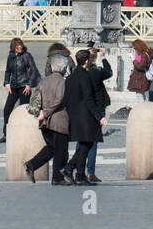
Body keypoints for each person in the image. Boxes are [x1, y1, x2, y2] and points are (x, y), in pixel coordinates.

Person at [24, 53, 71, 184]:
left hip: (44, 122)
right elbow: (59, 100)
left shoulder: (44, 80)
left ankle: (32, 164)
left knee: (52, 147)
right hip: (58, 120)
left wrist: (39, 112)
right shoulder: (62, 81)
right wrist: (45, 112)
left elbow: (35, 98)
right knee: (61, 150)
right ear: (64, 68)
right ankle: (57, 178)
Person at [60, 50, 104, 185]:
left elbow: (66, 98)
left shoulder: (71, 77)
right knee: (87, 144)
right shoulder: (85, 77)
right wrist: (99, 116)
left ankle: (78, 173)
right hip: (86, 116)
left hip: (74, 115)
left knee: (84, 145)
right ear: (86, 61)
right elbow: (88, 99)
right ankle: (71, 170)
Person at [0, 38, 40, 142]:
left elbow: (34, 70)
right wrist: (6, 83)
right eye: (17, 46)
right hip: (13, 86)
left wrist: (29, 85)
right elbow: (8, 71)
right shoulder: (11, 56)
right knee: (7, 109)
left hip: (24, 87)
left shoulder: (27, 55)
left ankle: (24, 133)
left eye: (21, 45)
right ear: (14, 47)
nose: (20, 47)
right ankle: (6, 134)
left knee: (24, 111)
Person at [84, 47, 113, 182]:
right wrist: (104, 57)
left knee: (82, 139)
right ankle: (90, 171)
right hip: (97, 106)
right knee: (94, 140)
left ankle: (79, 169)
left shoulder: (81, 71)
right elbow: (109, 72)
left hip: (84, 107)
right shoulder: (96, 71)